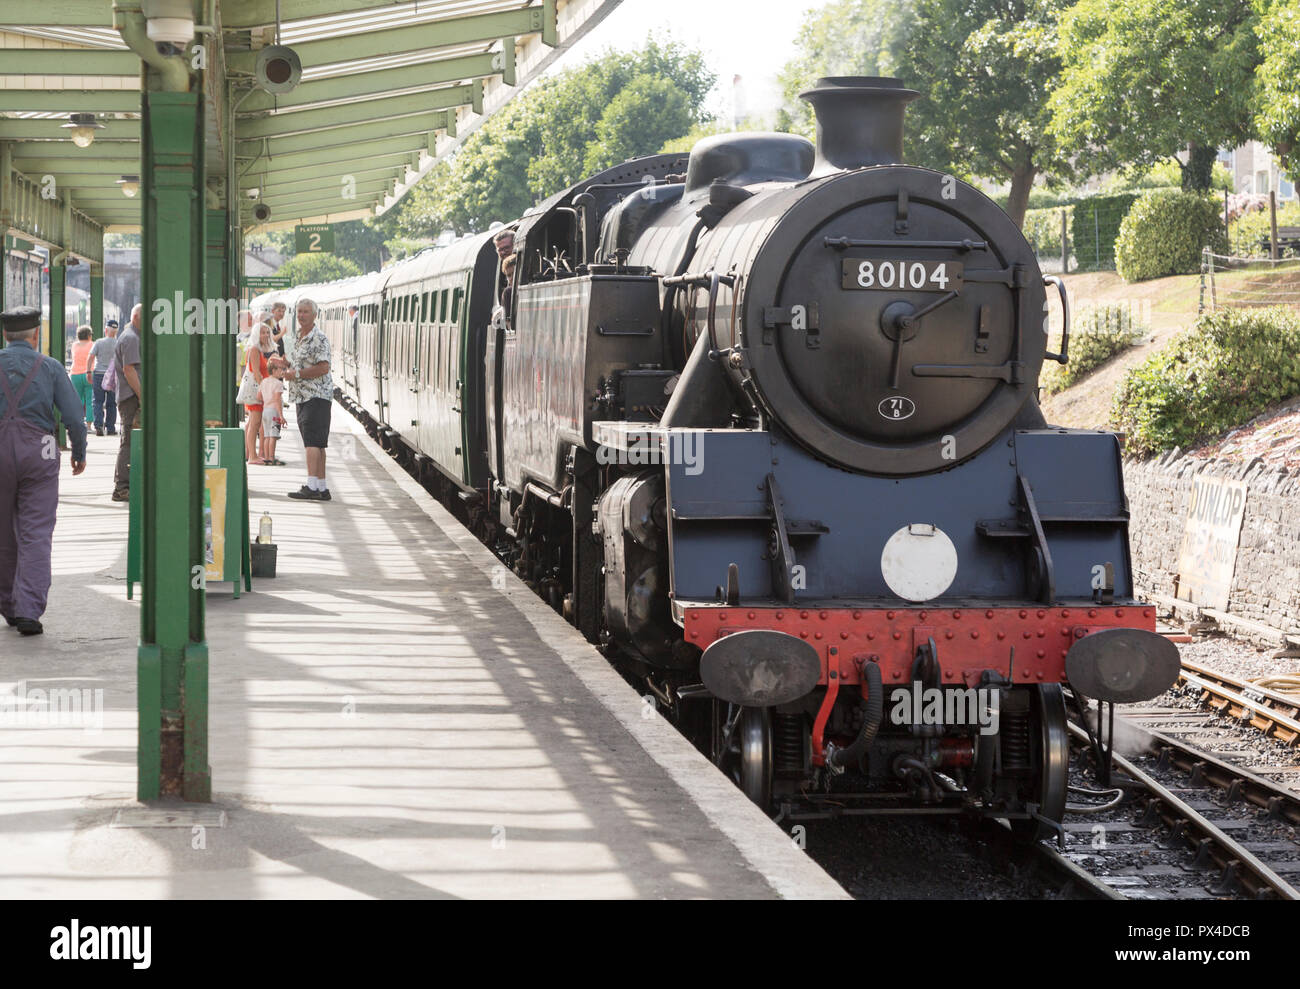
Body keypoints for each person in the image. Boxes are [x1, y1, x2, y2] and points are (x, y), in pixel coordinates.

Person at [0, 306, 87, 637]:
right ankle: (28, 610)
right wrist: (78, 453)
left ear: (6, 335)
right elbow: (75, 418)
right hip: (40, 452)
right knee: (35, 532)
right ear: (36, 335)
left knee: (3, 533)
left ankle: (8, 604)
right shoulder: (49, 367)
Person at [284, 298, 333, 501]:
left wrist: (295, 375)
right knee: (318, 443)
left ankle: (312, 486)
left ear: (314, 315)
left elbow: (323, 367)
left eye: (305, 312)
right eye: (299, 312)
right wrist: (282, 363)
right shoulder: (298, 336)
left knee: (312, 442)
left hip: (315, 395)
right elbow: (297, 362)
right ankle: (321, 487)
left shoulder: (319, 338)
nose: (301, 315)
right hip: (303, 396)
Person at [112, 303, 143, 503]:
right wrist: (143, 396)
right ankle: (122, 487)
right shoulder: (131, 338)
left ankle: (126, 484)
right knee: (129, 442)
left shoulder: (131, 336)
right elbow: (129, 370)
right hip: (131, 398)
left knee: (131, 440)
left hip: (130, 397)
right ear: (136, 317)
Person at [243, 322, 274, 465]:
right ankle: (252, 457)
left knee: (251, 423)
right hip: (256, 392)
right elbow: (256, 373)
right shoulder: (255, 349)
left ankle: (248, 453)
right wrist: (266, 391)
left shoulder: (255, 349)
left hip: (255, 391)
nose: (266, 335)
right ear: (256, 334)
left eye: (268, 332)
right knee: (255, 423)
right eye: (263, 332)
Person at [89, 320, 118, 436]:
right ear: (116, 331)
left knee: (97, 401)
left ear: (106, 330)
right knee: (112, 403)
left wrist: (88, 371)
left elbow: (90, 357)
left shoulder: (99, 342)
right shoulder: (119, 343)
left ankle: (98, 426)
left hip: (99, 374)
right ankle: (110, 428)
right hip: (113, 375)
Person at [259, 356, 287, 466]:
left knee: (266, 435)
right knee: (273, 436)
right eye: (281, 369)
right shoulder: (278, 384)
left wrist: (267, 399)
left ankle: (266, 457)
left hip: (265, 411)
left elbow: (259, 396)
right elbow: (277, 400)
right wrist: (281, 416)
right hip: (273, 412)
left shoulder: (264, 381)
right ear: (274, 370)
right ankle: (271, 458)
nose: (283, 372)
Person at [68, 326, 95, 427]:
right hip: (88, 374)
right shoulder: (92, 344)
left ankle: (78, 423)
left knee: (78, 400)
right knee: (89, 400)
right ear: (88, 335)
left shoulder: (74, 345)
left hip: (75, 374)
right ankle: (88, 425)